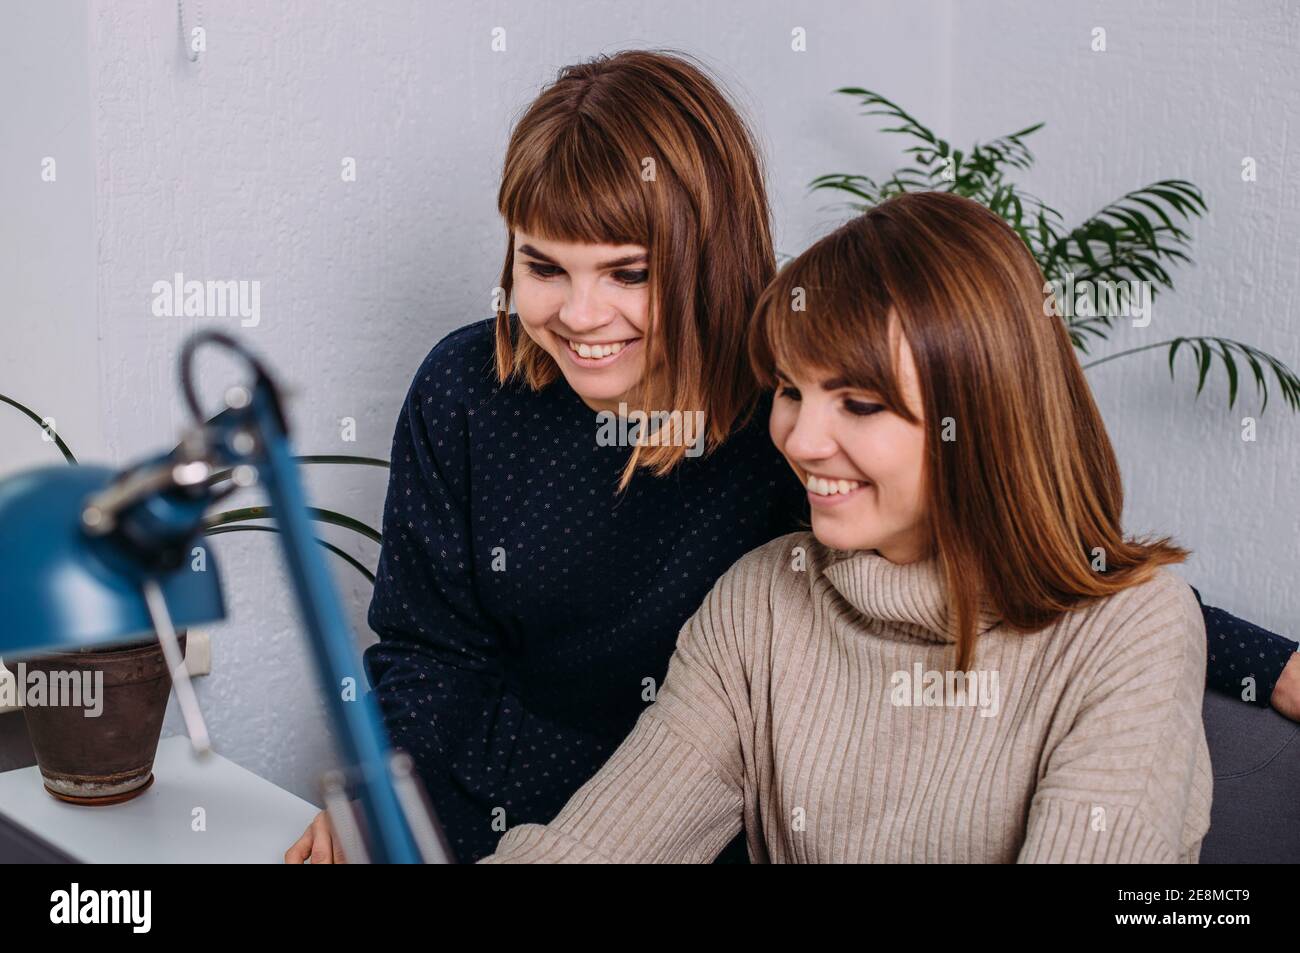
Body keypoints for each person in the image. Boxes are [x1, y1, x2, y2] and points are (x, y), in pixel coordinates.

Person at [286, 54, 1299, 865]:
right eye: (543, 266)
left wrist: (1273, 663)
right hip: (527, 802)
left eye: (626, 273)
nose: (578, 313)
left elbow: (1059, 570)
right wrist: (391, 800)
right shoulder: (753, 592)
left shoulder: (782, 388)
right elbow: (436, 662)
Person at [481, 192, 1225, 862]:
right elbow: (597, 849)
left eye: (860, 405)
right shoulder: (762, 600)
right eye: (788, 391)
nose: (800, 440)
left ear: (984, 418)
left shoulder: (1135, 629)